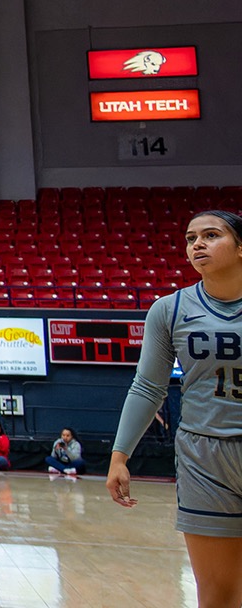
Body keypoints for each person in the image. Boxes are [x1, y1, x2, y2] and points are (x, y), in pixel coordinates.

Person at [111, 210, 242, 606]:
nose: (197, 244)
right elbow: (148, 386)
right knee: (218, 594)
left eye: (211, 235)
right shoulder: (170, 309)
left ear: (240, 247)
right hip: (205, 456)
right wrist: (120, 456)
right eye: (190, 238)